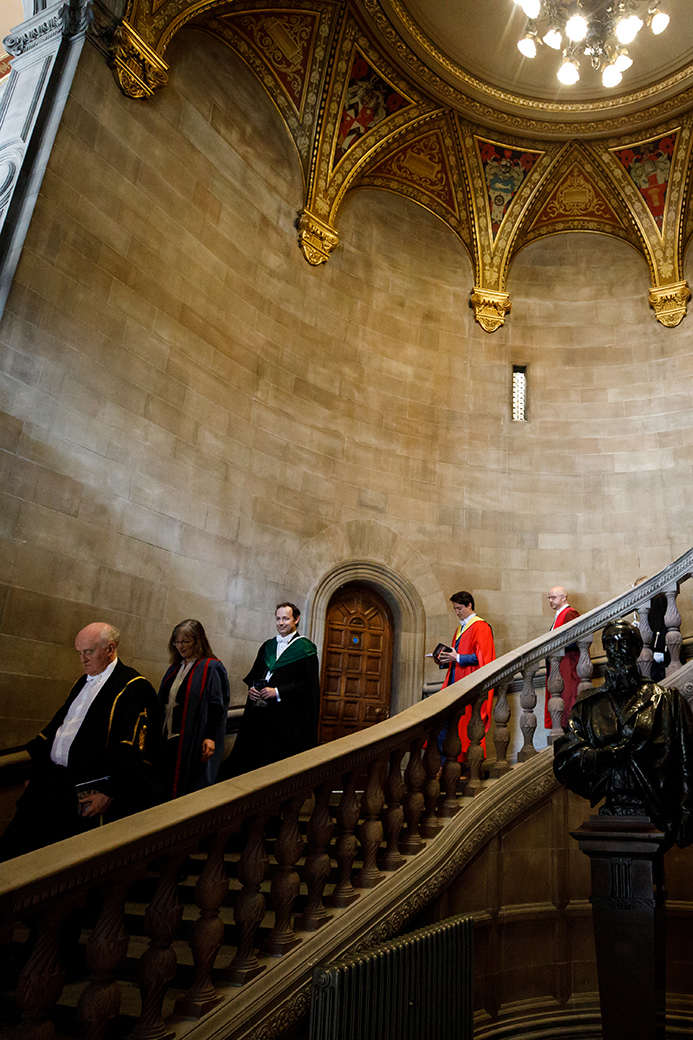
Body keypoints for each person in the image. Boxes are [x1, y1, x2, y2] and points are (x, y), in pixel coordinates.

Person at [0, 622, 161, 861]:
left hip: (87, 788)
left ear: (110, 648)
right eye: (79, 653)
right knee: (14, 851)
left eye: (89, 652)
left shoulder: (134, 687)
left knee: (64, 862)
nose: (82, 659)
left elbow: (133, 747)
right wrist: (38, 770)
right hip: (51, 782)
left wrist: (110, 791)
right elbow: (61, 728)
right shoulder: (82, 682)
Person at [553, 620, 693, 850]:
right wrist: (604, 756)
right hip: (611, 807)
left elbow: (688, 762)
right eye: (610, 644)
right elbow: (566, 757)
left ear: (638, 649)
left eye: (625, 643)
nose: (617, 651)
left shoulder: (667, 701)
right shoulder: (588, 705)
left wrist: (686, 815)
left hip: (655, 810)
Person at [220, 602, 320, 778]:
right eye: (278, 619)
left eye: (285, 619)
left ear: (296, 619)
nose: (281, 623)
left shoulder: (306, 650)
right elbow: (255, 674)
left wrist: (278, 692)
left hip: (285, 717)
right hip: (259, 713)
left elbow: (307, 685)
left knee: (272, 763)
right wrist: (252, 689)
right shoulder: (268, 646)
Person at [158, 619, 231, 798]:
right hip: (167, 736)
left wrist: (210, 736)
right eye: (177, 642)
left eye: (185, 642)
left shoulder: (211, 667)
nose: (180, 646)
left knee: (187, 784)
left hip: (192, 737)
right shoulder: (175, 668)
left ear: (197, 641)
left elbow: (216, 705)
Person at [436, 592, 496, 760]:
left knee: (464, 726)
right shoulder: (459, 629)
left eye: (459, 608)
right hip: (455, 682)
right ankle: (444, 764)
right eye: (454, 609)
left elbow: (483, 657)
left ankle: (462, 764)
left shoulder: (481, 626)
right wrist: (444, 660)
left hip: (468, 684)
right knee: (446, 725)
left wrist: (458, 658)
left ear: (469, 605)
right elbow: (457, 655)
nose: (457, 612)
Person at [544, 586, 580, 730]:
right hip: (558, 667)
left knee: (567, 704)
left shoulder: (571, 614)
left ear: (564, 597)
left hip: (567, 667)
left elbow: (575, 640)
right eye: (549, 598)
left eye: (553, 597)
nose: (550, 601)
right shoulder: (559, 616)